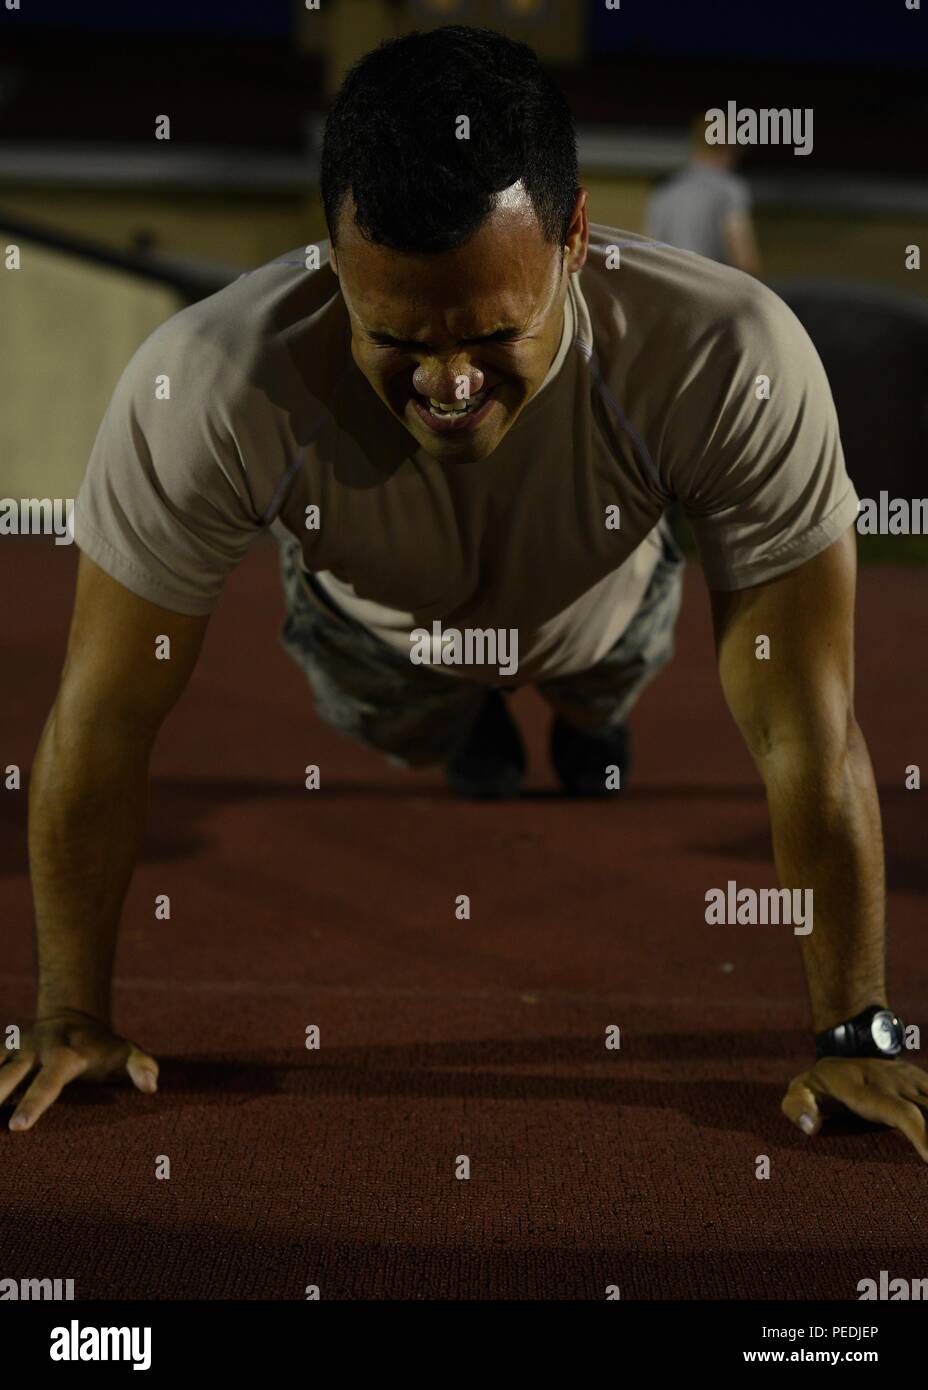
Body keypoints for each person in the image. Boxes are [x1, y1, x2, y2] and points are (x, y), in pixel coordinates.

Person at [4, 26, 926, 1162]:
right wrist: (69, 1012)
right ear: (332, 256)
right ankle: (468, 713)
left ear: (578, 235)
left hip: (605, 612)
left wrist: (857, 1024)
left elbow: (807, 725)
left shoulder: (728, 353)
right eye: (396, 337)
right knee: (437, 722)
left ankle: (582, 710)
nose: (448, 384)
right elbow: (101, 717)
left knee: (599, 693)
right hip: (379, 647)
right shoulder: (204, 385)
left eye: (496, 334)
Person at [645, 113, 763, 274]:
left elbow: (650, 253)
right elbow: (744, 259)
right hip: (713, 292)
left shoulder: (665, 192)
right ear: (728, 146)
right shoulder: (729, 188)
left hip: (670, 291)